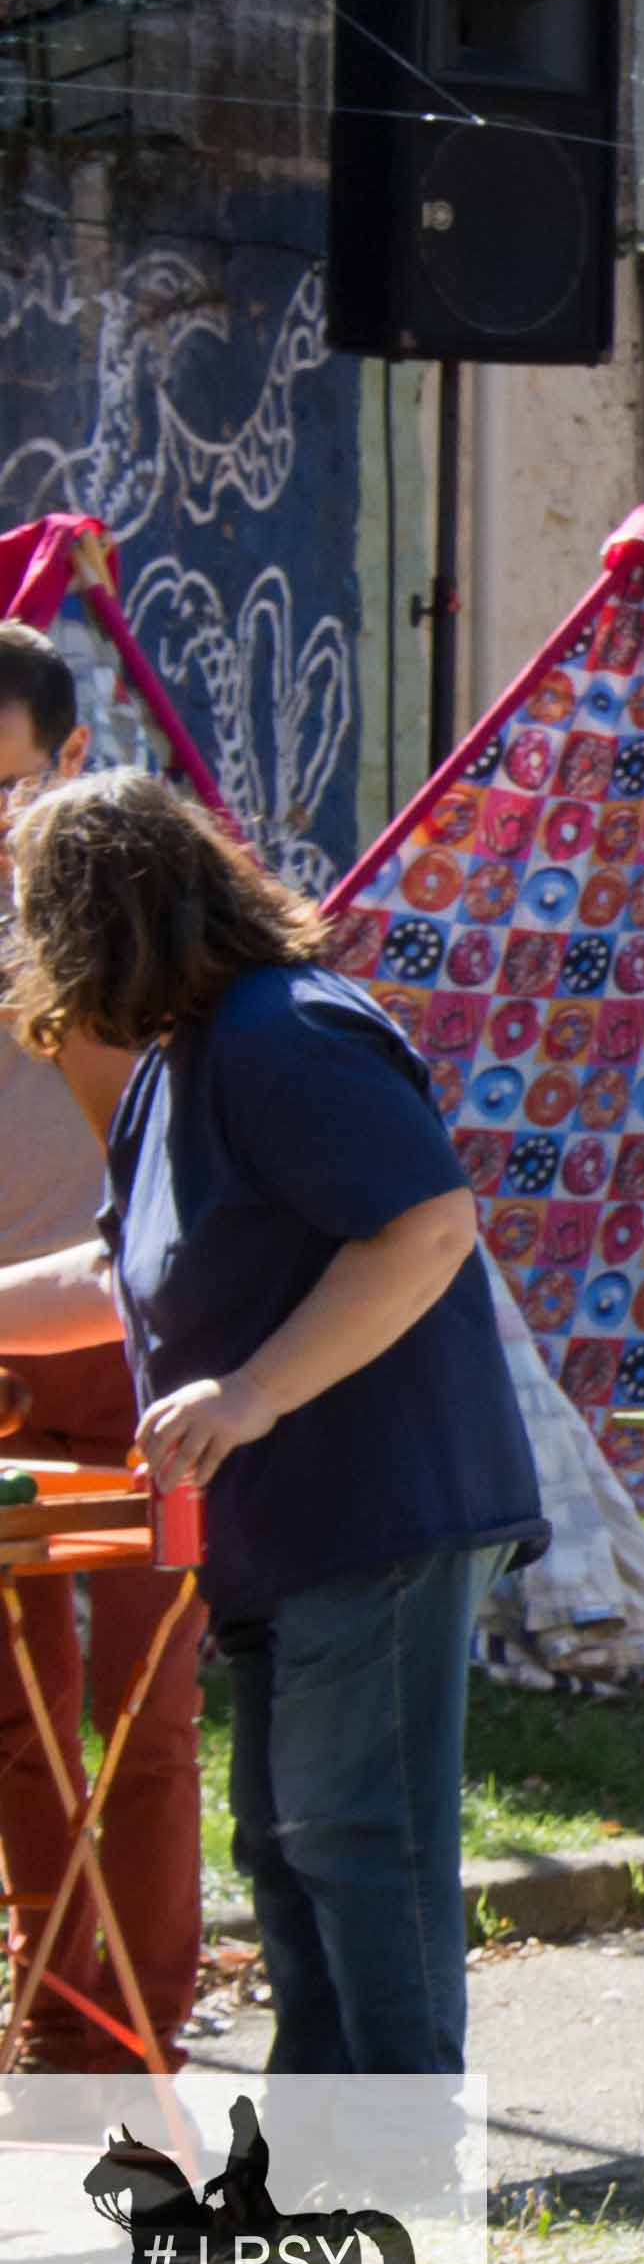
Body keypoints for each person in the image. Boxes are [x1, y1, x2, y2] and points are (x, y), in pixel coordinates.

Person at [0, 775, 539, 2074]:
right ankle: (320, 2180)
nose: (18, 955)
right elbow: (120, 1274)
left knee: (361, 1849)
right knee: (292, 1851)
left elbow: (427, 1224)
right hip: (289, 1531)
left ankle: (396, 2184)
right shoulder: (178, 1065)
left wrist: (251, 1394)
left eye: (27, 920)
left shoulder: (286, 1031)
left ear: (92, 923)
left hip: (381, 1512)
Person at [0, 627, 188, 2074]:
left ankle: (120, 2034)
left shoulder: (125, 919)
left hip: (136, 1350)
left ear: (68, 761)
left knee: (143, 1711)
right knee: (16, 1718)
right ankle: (46, 1994)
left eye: (1, 786)